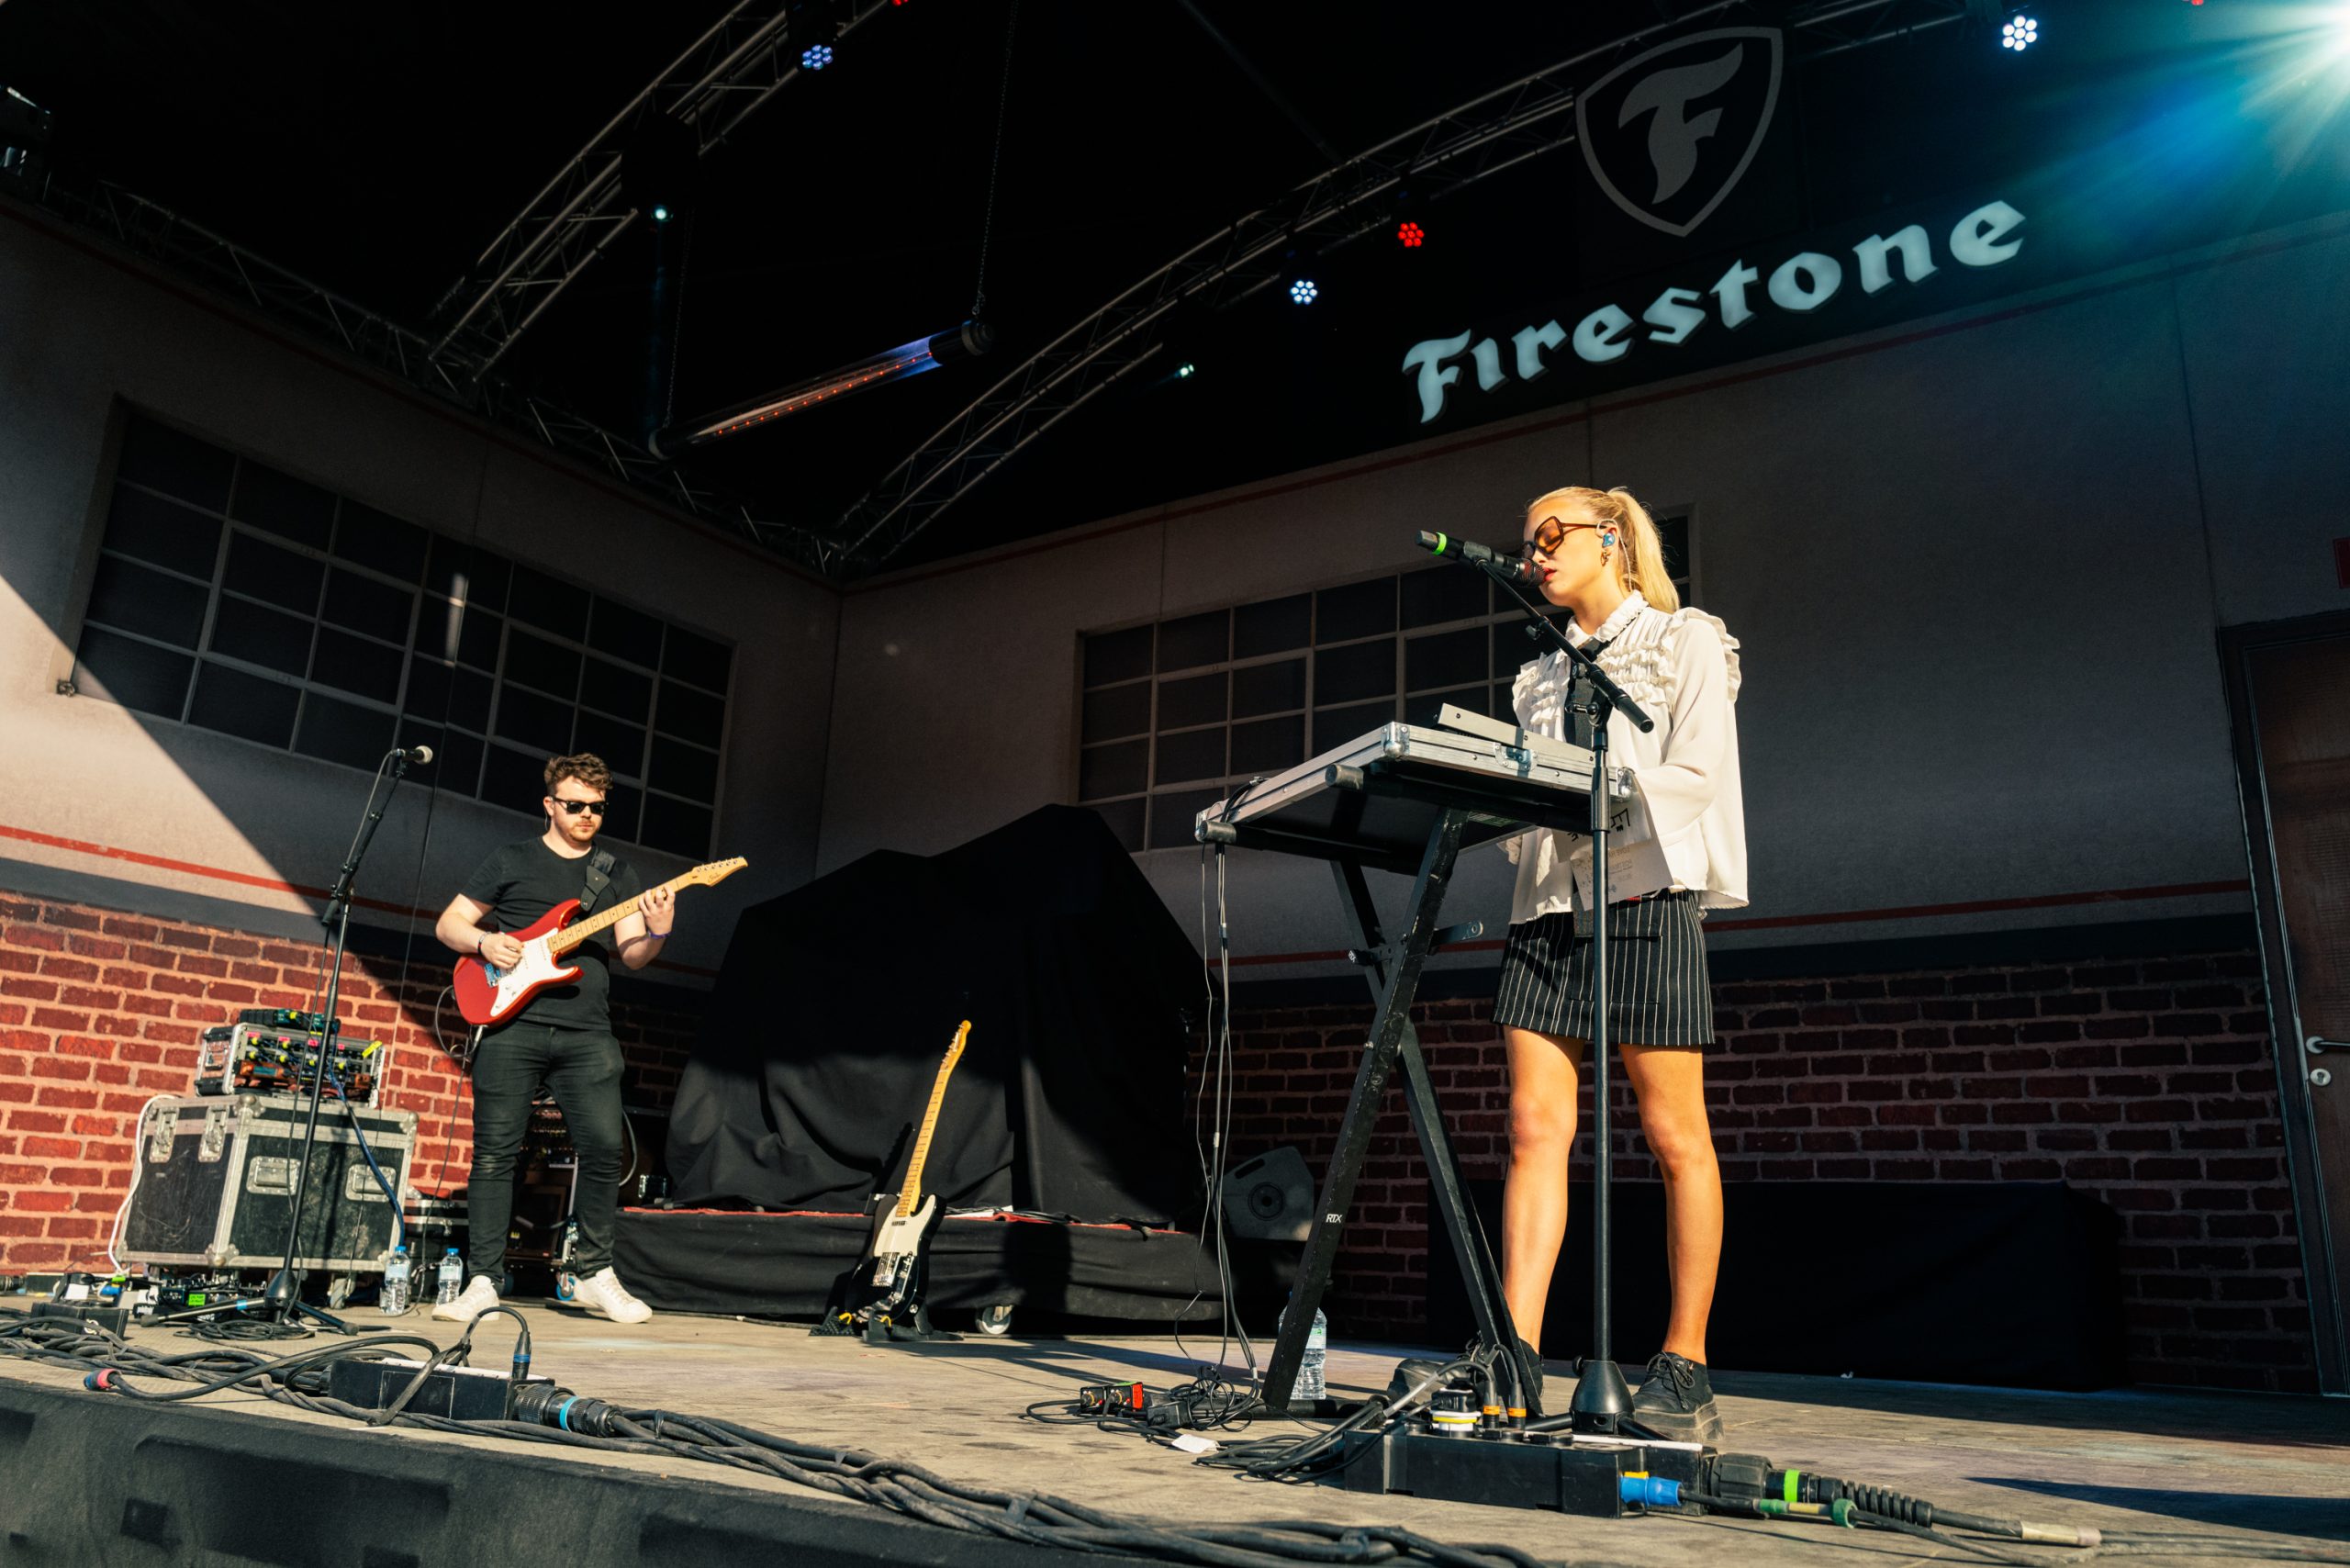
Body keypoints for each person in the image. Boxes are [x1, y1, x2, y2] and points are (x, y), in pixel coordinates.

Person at [1494, 485, 1746, 1441]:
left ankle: (1685, 1358)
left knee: (1672, 1130)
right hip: (1549, 905)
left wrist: (1583, 794)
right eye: (1528, 544)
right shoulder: (1535, 680)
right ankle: (1514, 1349)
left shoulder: (1684, 640)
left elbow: (1697, 777)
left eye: (1551, 535)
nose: (1536, 555)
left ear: (1612, 537)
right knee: (1531, 1125)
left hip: (1644, 891)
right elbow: (1527, 799)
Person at [431, 752, 675, 1325]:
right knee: (494, 1154)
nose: (588, 815)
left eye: (597, 807)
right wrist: (485, 944)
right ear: (550, 806)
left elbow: (633, 955)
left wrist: (660, 925)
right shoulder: (510, 859)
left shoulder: (617, 874)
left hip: (588, 1032)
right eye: (575, 805)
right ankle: (484, 1281)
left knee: (603, 1151)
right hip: (510, 1025)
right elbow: (449, 925)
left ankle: (593, 1274)